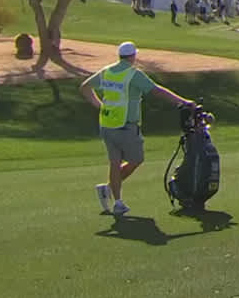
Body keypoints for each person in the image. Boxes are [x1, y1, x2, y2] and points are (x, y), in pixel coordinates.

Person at [79, 41, 193, 215]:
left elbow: (85, 87)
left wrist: (100, 106)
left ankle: (115, 199)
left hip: (107, 123)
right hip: (126, 125)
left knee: (115, 163)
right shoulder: (133, 74)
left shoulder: (108, 71)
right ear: (132, 56)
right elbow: (157, 90)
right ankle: (111, 192)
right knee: (135, 160)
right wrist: (183, 102)